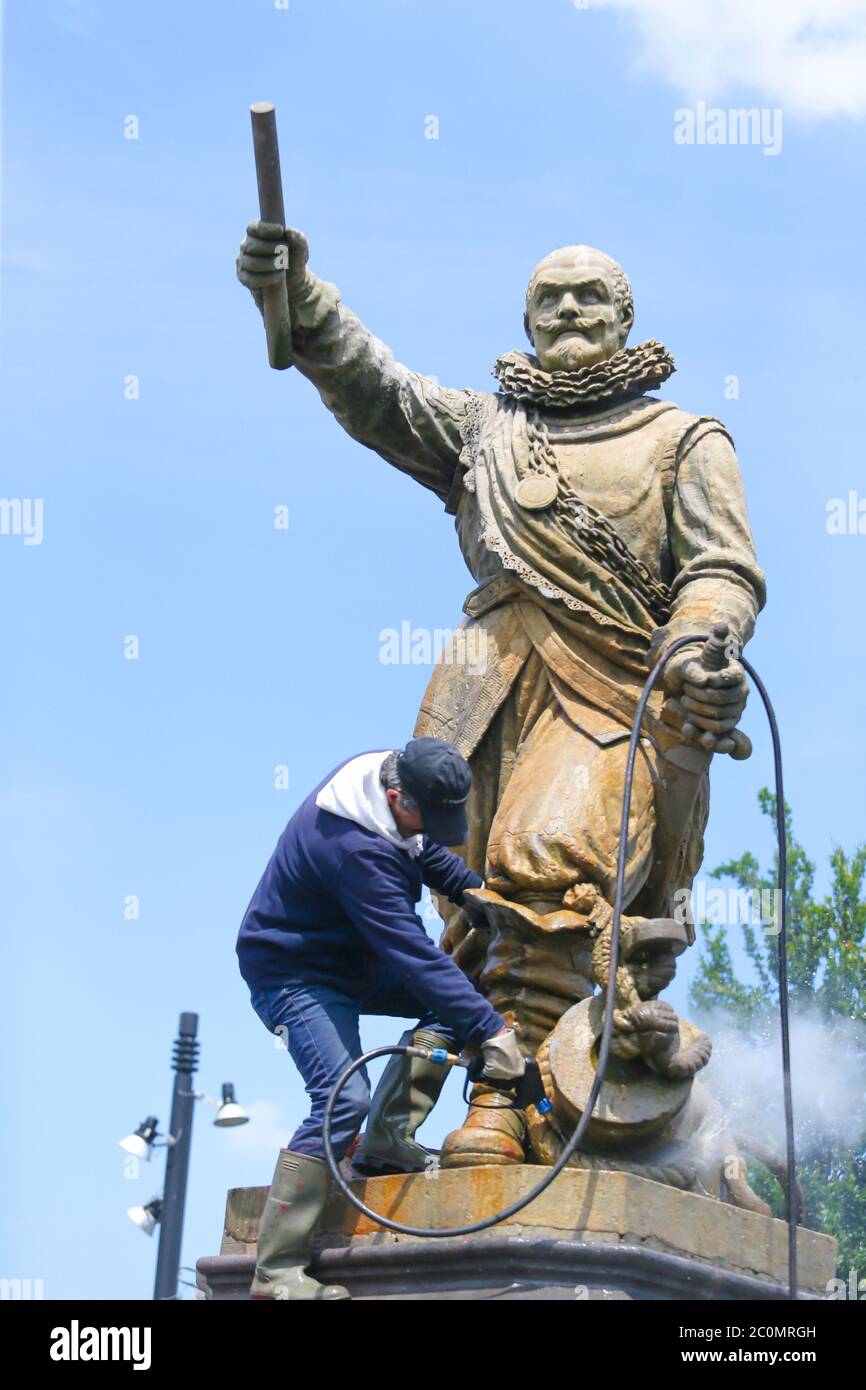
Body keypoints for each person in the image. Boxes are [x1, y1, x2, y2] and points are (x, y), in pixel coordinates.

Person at [236, 227, 766, 1169]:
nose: (568, 309)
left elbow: (721, 571)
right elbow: (378, 389)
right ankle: (412, 1110)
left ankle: (501, 1107)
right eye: (549, 297)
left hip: (618, 691)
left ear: (625, 317)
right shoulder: (488, 433)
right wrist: (299, 297)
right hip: (480, 686)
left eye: (589, 295)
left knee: (546, 866)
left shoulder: (685, 439)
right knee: (459, 906)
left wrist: (697, 648)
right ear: (525, 318)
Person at [236, 736, 523, 1301]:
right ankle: (275, 1271)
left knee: (454, 1003)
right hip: (293, 973)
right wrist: (494, 1034)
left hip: (348, 960)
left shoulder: (382, 786)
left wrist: (470, 890)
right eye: (428, 817)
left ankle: (389, 1141)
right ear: (396, 796)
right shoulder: (355, 851)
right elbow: (414, 959)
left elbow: (418, 847)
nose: (434, 828)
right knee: (342, 1099)